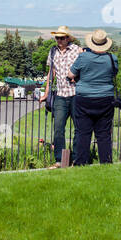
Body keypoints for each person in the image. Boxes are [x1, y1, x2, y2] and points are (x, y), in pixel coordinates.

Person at [69, 28, 120, 165]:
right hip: (106, 98)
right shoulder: (112, 58)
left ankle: (81, 162)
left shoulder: (83, 57)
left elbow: (71, 74)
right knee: (103, 134)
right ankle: (106, 161)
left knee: (83, 133)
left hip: (84, 98)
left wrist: (81, 55)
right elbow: (113, 73)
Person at [38, 25, 82, 167]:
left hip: (76, 94)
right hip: (60, 95)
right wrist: (46, 93)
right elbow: (51, 73)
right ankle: (59, 159)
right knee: (58, 128)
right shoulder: (52, 51)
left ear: (68, 38)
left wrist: (78, 76)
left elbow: (85, 67)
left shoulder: (77, 50)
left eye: (62, 38)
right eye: (57, 37)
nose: (59, 40)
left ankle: (76, 158)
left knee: (79, 128)